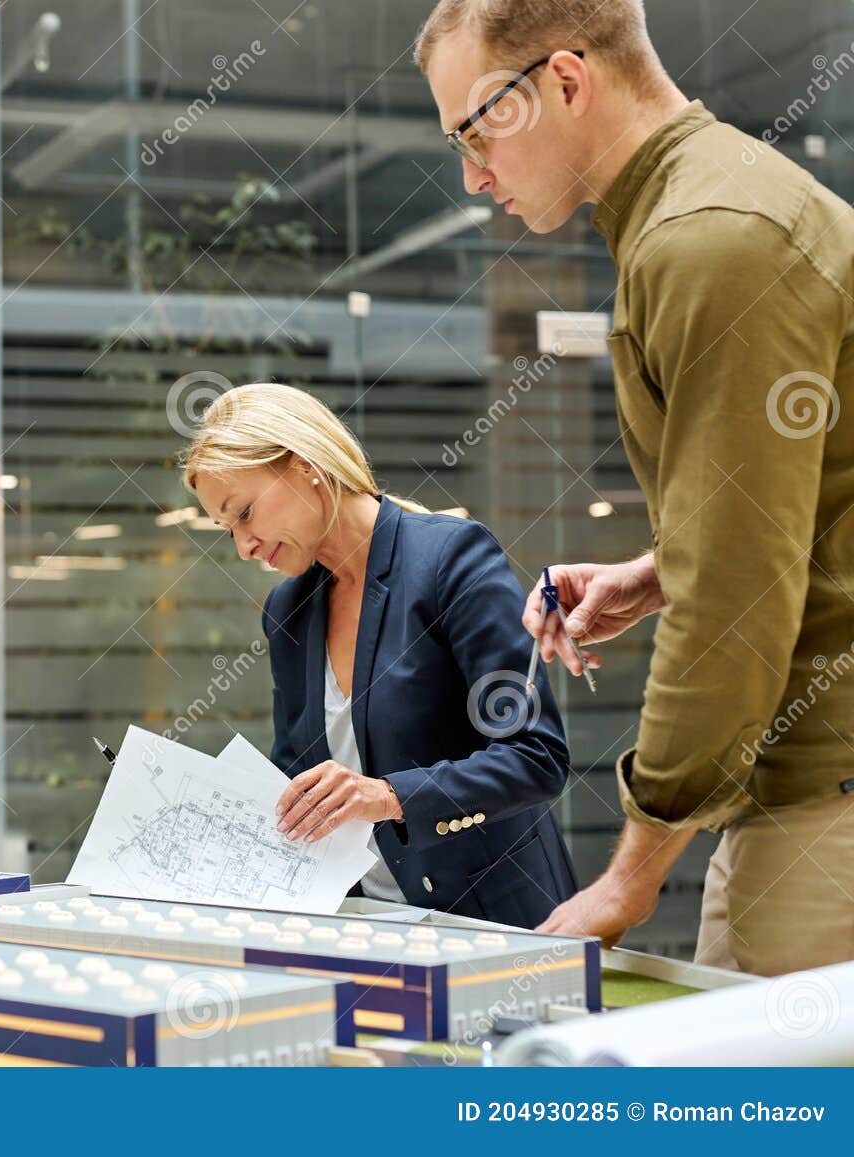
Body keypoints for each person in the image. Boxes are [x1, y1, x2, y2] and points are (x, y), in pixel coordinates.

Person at [417, 0, 854, 975]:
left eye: (475, 128)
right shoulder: (714, 209)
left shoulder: (711, 242)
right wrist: (661, 572)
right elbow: (806, 500)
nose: (472, 173)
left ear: (565, 80)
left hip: (827, 805)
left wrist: (631, 869)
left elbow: (737, 602)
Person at [184, 383, 578, 926]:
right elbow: (298, 780)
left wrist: (391, 795)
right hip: (360, 926)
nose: (243, 546)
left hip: (496, 926)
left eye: (245, 513)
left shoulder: (449, 559)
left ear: (304, 465)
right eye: (228, 529)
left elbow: (537, 758)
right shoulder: (288, 612)